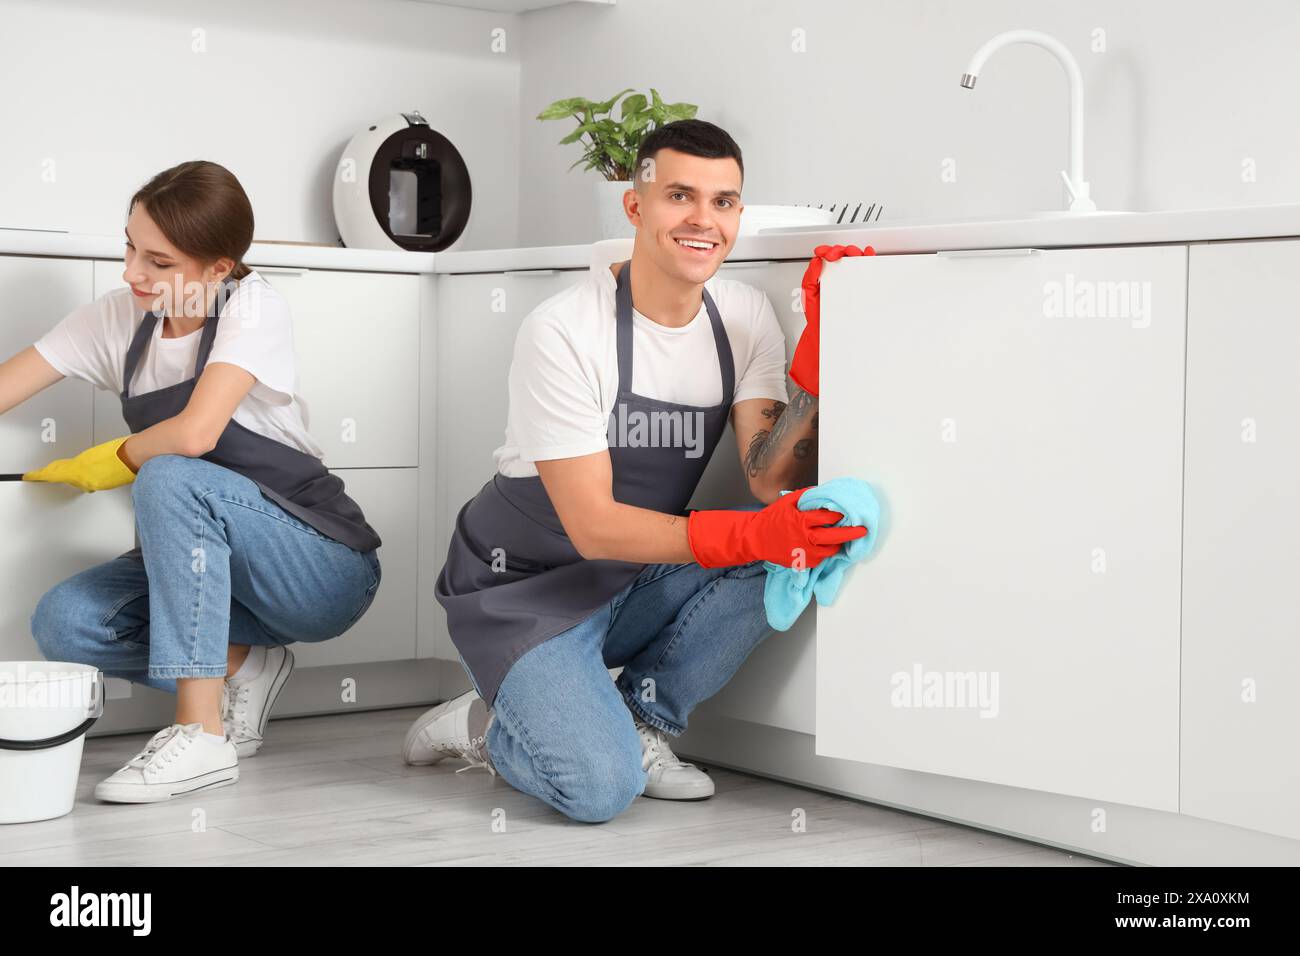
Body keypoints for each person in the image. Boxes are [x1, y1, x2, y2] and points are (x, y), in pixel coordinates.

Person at [408, 119, 867, 823]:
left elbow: (771, 481)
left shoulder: (743, 316)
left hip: (630, 576)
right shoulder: (565, 330)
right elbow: (592, 526)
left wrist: (817, 357)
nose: (702, 221)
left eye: (723, 202)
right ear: (636, 206)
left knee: (788, 548)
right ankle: (484, 722)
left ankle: (642, 720)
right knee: (598, 792)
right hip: (522, 590)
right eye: (680, 196)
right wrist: (750, 537)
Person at [0, 160, 383, 803]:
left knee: (171, 473)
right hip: (218, 579)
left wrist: (110, 458)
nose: (131, 273)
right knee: (65, 622)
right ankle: (245, 665)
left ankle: (199, 735)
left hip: (319, 569)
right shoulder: (119, 321)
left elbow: (195, 434)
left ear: (218, 269)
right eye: (129, 245)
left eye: (159, 261)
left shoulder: (254, 308)